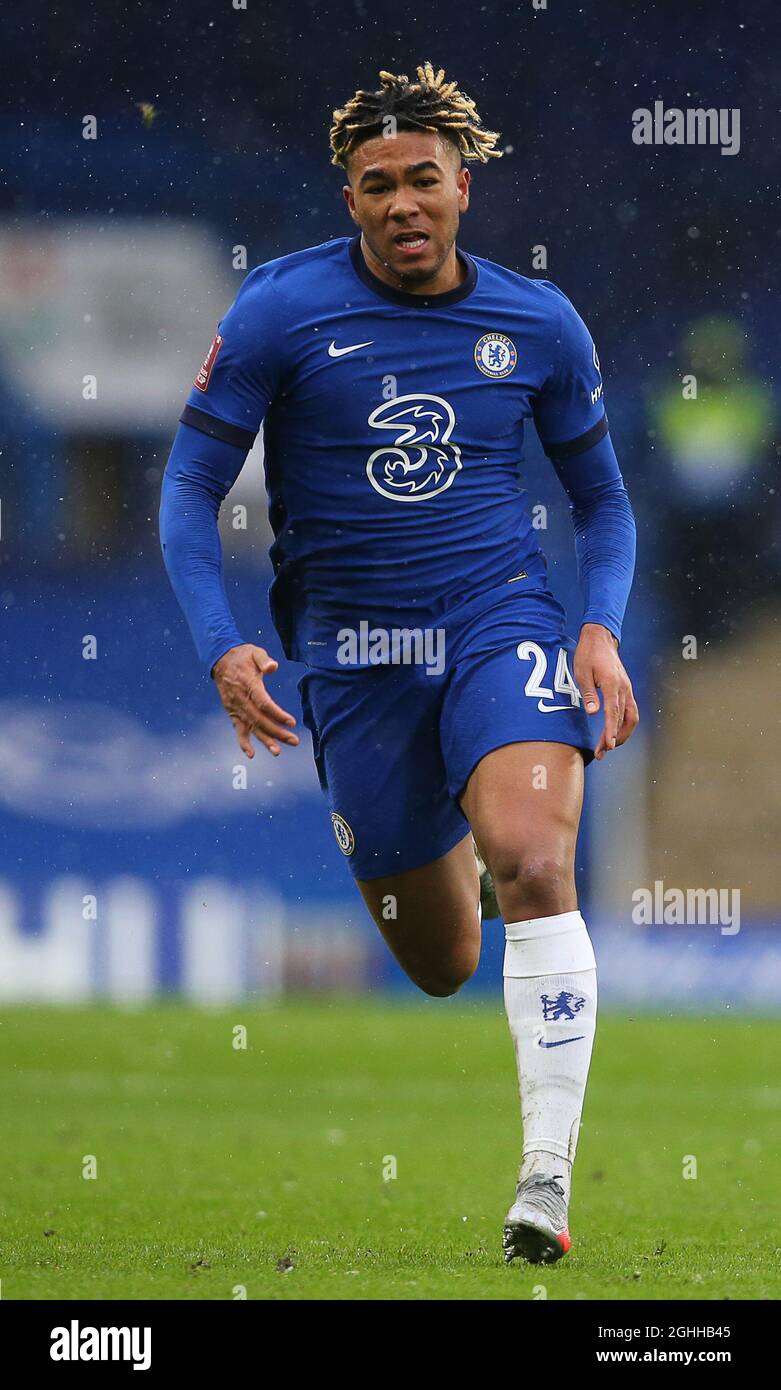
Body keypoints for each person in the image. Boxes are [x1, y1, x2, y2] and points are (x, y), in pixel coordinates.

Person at [160, 62, 639, 1265]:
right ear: (352, 198)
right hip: (355, 656)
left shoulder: (537, 320)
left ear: (463, 187)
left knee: (536, 857)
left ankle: (543, 1179)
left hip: (496, 616)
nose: (403, 202)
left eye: (424, 178)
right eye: (378, 185)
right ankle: (466, 842)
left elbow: (603, 502)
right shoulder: (278, 311)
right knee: (441, 960)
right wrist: (223, 647)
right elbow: (185, 488)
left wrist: (599, 623)